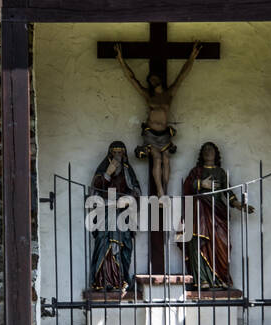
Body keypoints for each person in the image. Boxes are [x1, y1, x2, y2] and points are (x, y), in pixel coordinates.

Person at [115, 41, 201, 197]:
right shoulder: (149, 96)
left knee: (166, 159)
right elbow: (132, 79)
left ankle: (165, 189)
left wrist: (192, 56)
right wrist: (121, 59)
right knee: (157, 160)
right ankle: (160, 192)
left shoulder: (169, 94)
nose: (153, 81)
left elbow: (182, 75)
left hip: (164, 134)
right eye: (151, 80)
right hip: (151, 133)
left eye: (155, 79)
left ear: (160, 79)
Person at [181, 141, 253, 289]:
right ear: (201, 154)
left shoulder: (220, 172)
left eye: (211, 149)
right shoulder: (196, 171)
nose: (208, 152)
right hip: (199, 212)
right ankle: (202, 279)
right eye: (205, 150)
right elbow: (186, 187)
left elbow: (228, 192)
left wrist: (239, 205)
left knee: (222, 244)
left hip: (217, 212)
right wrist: (201, 184)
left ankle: (220, 278)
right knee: (197, 242)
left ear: (216, 153)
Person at [88, 141, 140, 292]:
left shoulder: (127, 171)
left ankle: (120, 279)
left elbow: (136, 190)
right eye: (115, 152)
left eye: (121, 152)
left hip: (122, 213)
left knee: (123, 245)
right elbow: (94, 190)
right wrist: (107, 174)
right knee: (104, 242)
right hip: (104, 210)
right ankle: (103, 280)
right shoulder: (103, 169)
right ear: (110, 154)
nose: (118, 155)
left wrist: (127, 200)